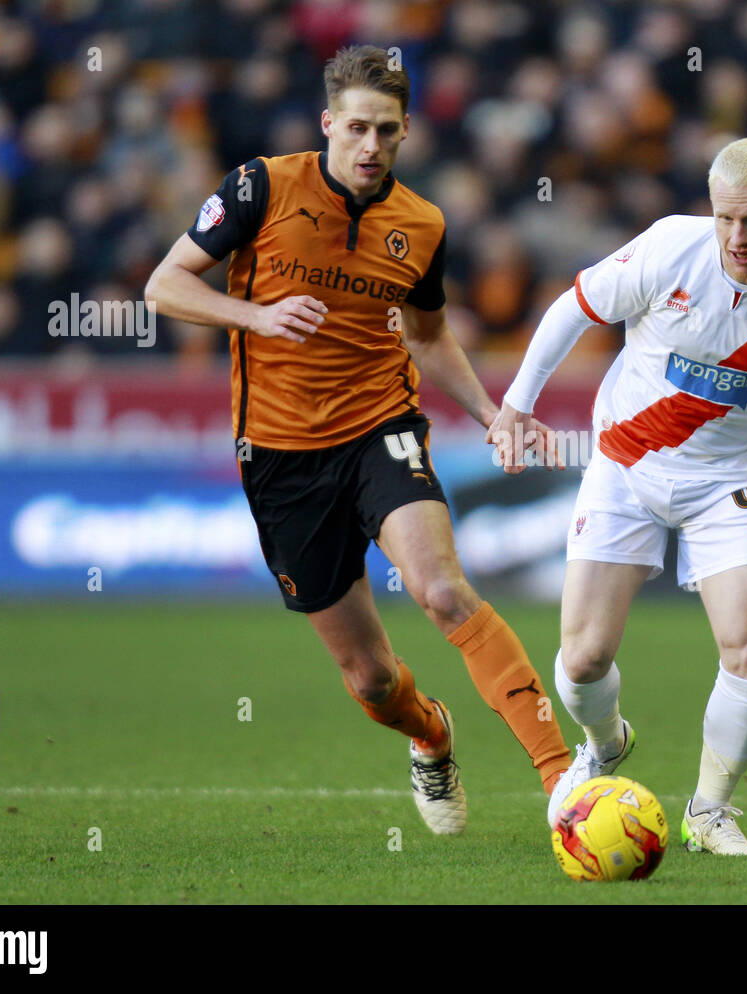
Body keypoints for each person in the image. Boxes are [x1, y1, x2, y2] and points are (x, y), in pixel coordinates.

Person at [145, 45, 570, 836]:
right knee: (372, 678)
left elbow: (430, 337)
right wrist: (257, 316)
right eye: (357, 130)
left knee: (443, 591)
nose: (371, 147)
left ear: (406, 133)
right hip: (277, 453)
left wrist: (493, 412)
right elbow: (163, 284)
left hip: (382, 426)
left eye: (387, 132)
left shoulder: (423, 223)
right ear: (328, 124)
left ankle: (562, 782)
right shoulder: (260, 185)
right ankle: (430, 734)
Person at [489, 137, 747, 854]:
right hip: (625, 467)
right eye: (725, 218)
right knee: (581, 661)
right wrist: (517, 404)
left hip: (730, 481)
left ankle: (710, 811)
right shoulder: (669, 247)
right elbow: (575, 308)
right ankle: (604, 744)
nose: (737, 237)